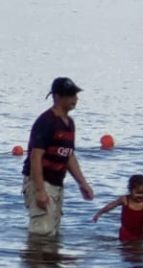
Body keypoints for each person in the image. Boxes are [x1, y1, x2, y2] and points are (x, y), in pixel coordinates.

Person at [23, 78, 94, 237]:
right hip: (41, 182)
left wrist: (82, 183)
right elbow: (35, 157)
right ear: (56, 96)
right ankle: (36, 260)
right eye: (69, 95)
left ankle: (51, 261)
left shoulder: (69, 123)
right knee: (41, 233)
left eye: (75, 95)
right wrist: (40, 190)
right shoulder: (46, 121)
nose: (74, 99)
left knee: (53, 233)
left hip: (57, 184)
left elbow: (68, 155)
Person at [92, 174, 143, 242]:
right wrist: (99, 212)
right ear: (130, 190)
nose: (140, 195)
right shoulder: (125, 200)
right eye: (137, 193)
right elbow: (111, 206)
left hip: (139, 233)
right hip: (125, 233)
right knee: (125, 250)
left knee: (141, 251)